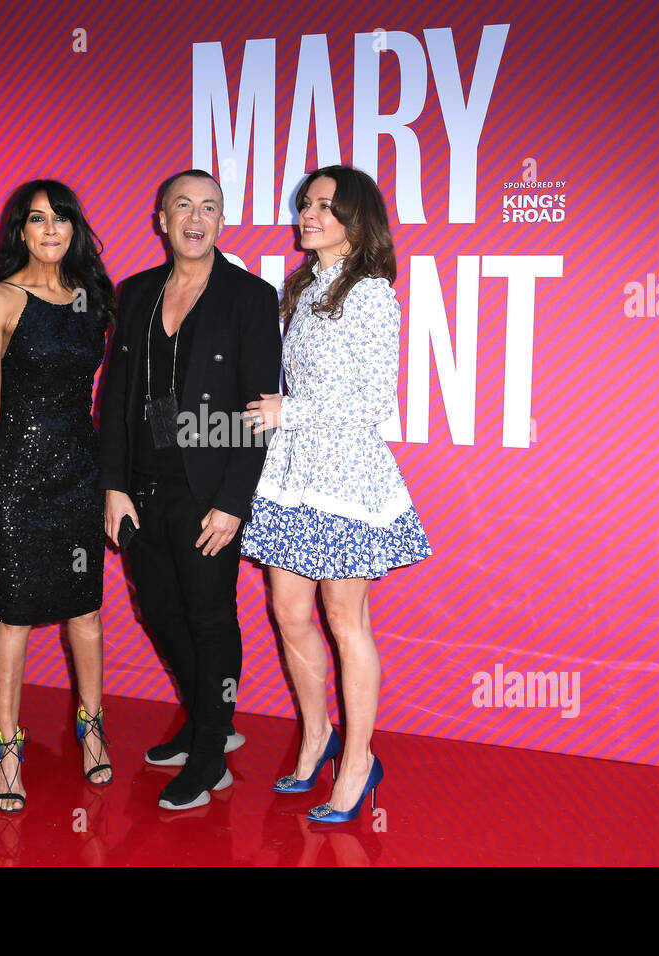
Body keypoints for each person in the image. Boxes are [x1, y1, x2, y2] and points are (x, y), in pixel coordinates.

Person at [240, 165, 432, 822]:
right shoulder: (304, 286)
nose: (308, 214)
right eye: (306, 204)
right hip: (295, 474)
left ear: (357, 218)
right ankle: (318, 734)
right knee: (289, 611)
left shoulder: (372, 294)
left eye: (325, 205)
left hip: (344, 478)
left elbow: (375, 402)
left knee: (346, 622)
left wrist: (287, 412)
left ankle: (358, 761)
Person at [98, 169, 282, 810]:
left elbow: (260, 410)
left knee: (209, 618)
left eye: (209, 207)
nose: (196, 218)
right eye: (183, 206)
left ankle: (209, 756)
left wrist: (234, 502)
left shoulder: (250, 298)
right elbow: (116, 398)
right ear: (161, 218)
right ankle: (214, 719)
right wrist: (114, 484)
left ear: (222, 220)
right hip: (143, 490)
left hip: (209, 494)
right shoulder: (137, 292)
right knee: (160, 611)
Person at [0, 180, 115, 812]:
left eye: (61, 220)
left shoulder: (92, 301)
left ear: (75, 229)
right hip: (18, 479)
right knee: (15, 615)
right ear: (19, 230)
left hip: (80, 473)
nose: (51, 230)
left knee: (86, 612)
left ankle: (93, 729)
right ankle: (8, 746)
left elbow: (107, 397)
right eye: (37, 220)